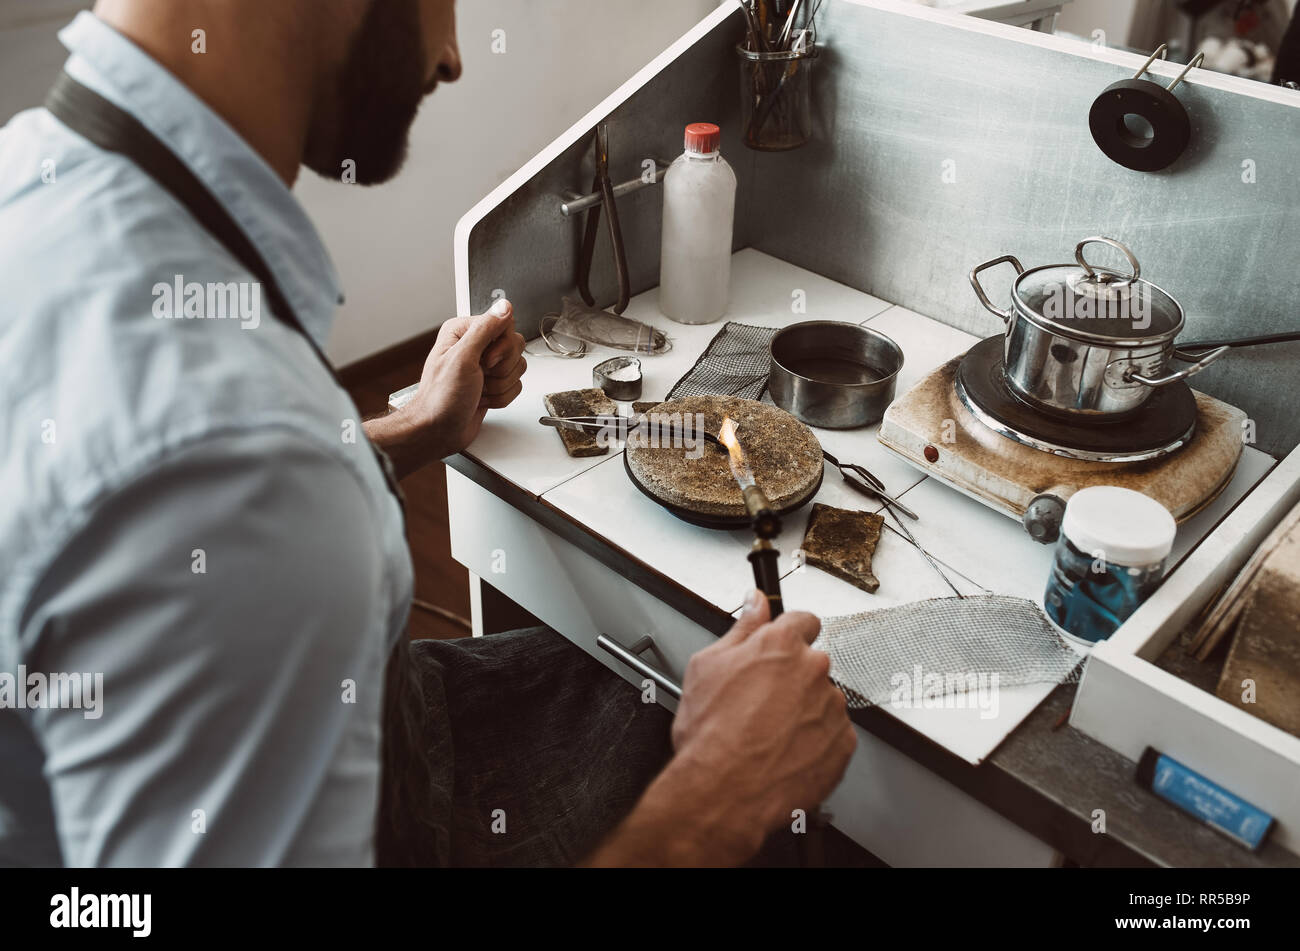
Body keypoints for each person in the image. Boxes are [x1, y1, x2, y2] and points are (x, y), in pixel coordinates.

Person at [0, 0, 854, 867]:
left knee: (670, 666)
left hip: (396, 724)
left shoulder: (33, 175)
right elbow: (224, 482)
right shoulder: (232, 440)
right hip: (410, 826)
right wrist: (716, 797)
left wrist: (413, 428)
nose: (451, 56)